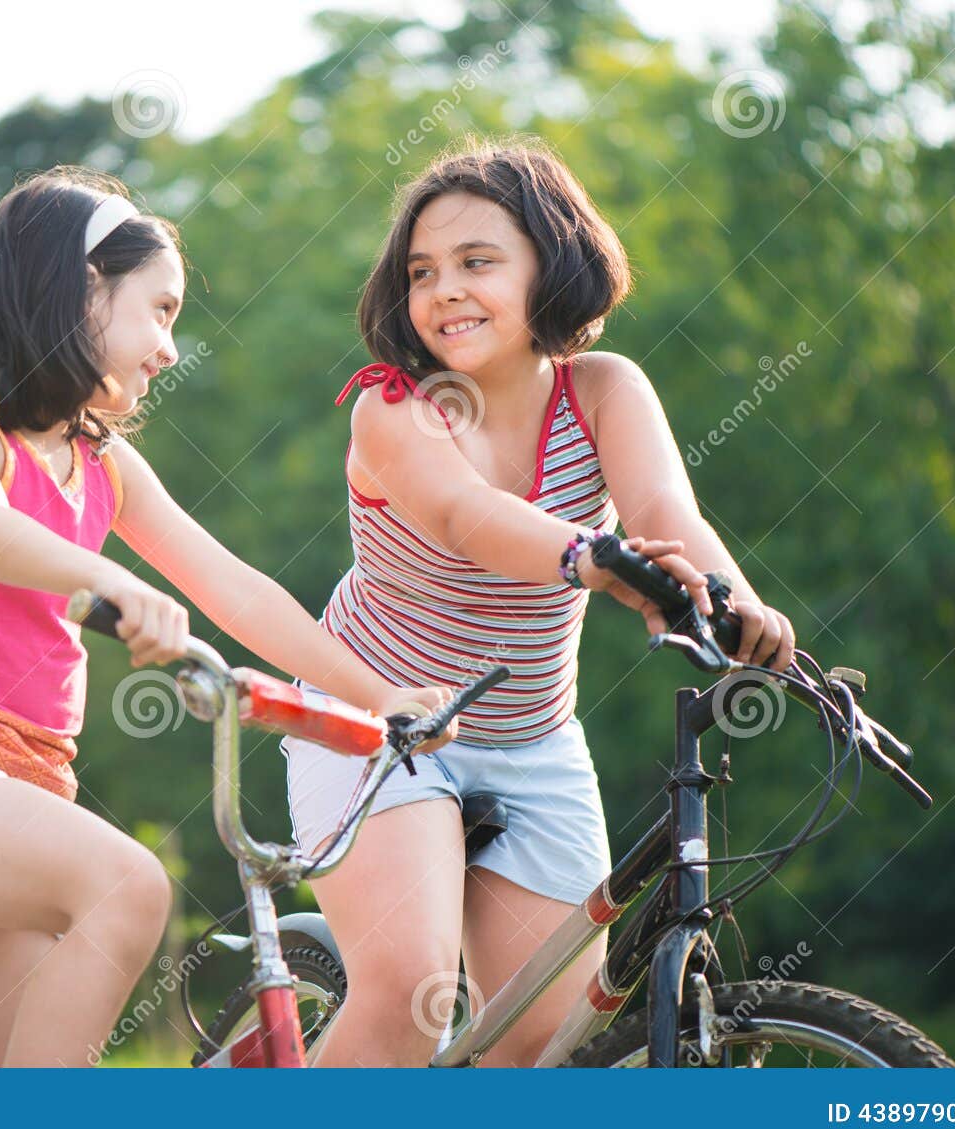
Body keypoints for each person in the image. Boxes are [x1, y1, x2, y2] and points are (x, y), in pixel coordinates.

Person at [0, 167, 450, 1067]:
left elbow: (232, 588)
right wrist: (118, 587)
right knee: (131, 890)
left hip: (25, 789)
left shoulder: (102, 464)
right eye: (159, 310)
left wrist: (377, 697)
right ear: (81, 289)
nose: (169, 345)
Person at [284, 139, 797, 1066]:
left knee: (540, 1045)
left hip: (532, 740)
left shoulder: (603, 390)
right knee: (408, 993)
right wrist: (589, 559)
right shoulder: (394, 407)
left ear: (552, 268)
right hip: (377, 721)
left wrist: (739, 604)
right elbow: (463, 513)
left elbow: (666, 516)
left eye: (478, 263)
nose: (444, 290)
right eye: (422, 272)